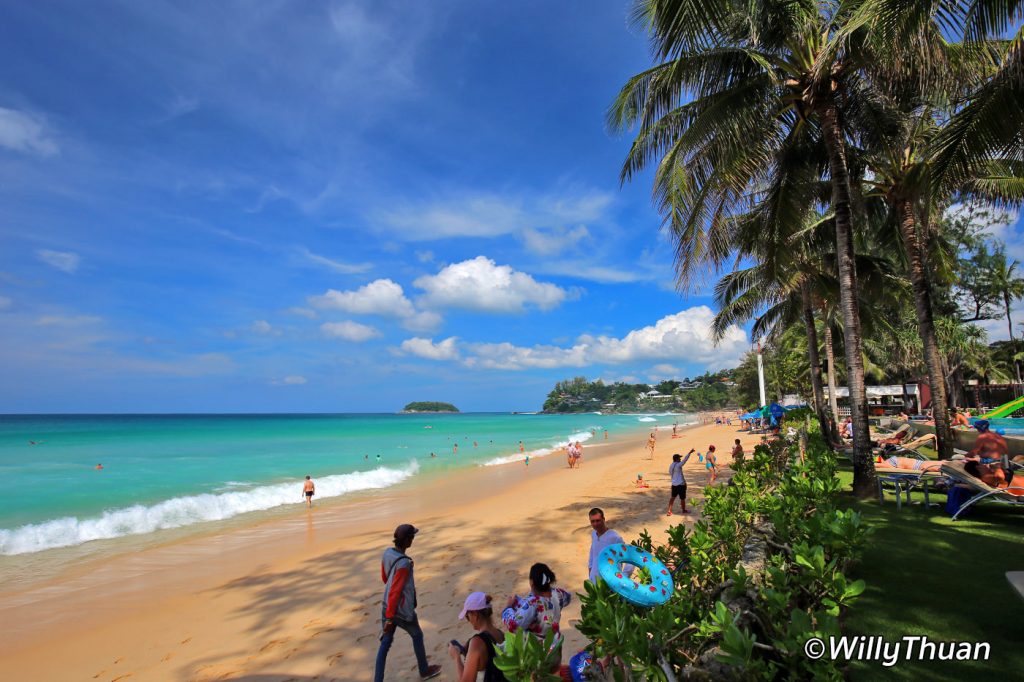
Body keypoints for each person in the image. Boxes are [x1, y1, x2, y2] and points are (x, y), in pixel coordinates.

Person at [374, 524, 442, 682]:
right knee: (417, 635)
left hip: (386, 606)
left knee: (385, 644)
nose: (413, 539)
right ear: (408, 541)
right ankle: (424, 671)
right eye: (412, 536)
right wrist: (391, 618)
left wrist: (388, 615)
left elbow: (385, 579)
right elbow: (396, 592)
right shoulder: (405, 563)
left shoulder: (387, 553)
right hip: (401, 612)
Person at [502, 563, 572, 669]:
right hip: (555, 646)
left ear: (531, 582)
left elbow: (513, 625)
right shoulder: (559, 594)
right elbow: (568, 598)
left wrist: (508, 608)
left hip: (538, 651)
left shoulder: (532, 603)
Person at [449, 592, 506, 682]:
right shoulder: (500, 634)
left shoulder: (477, 643)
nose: (469, 620)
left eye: (467, 616)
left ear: (475, 614)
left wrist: (457, 658)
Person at [586, 508, 633, 584]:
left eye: (598, 520)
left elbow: (630, 558)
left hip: (610, 583)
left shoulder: (615, 538)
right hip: (594, 582)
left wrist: (624, 577)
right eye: (593, 521)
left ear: (603, 519)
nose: (595, 524)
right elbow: (592, 554)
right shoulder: (594, 534)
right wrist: (590, 572)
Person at [667, 451, 693, 515]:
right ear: (676, 459)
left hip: (674, 484)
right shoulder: (678, 465)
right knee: (682, 498)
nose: (680, 459)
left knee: (672, 498)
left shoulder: (671, 465)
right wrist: (689, 453)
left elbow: (670, 473)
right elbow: (685, 460)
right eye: (679, 458)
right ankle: (683, 510)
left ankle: (669, 511)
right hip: (681, 485)